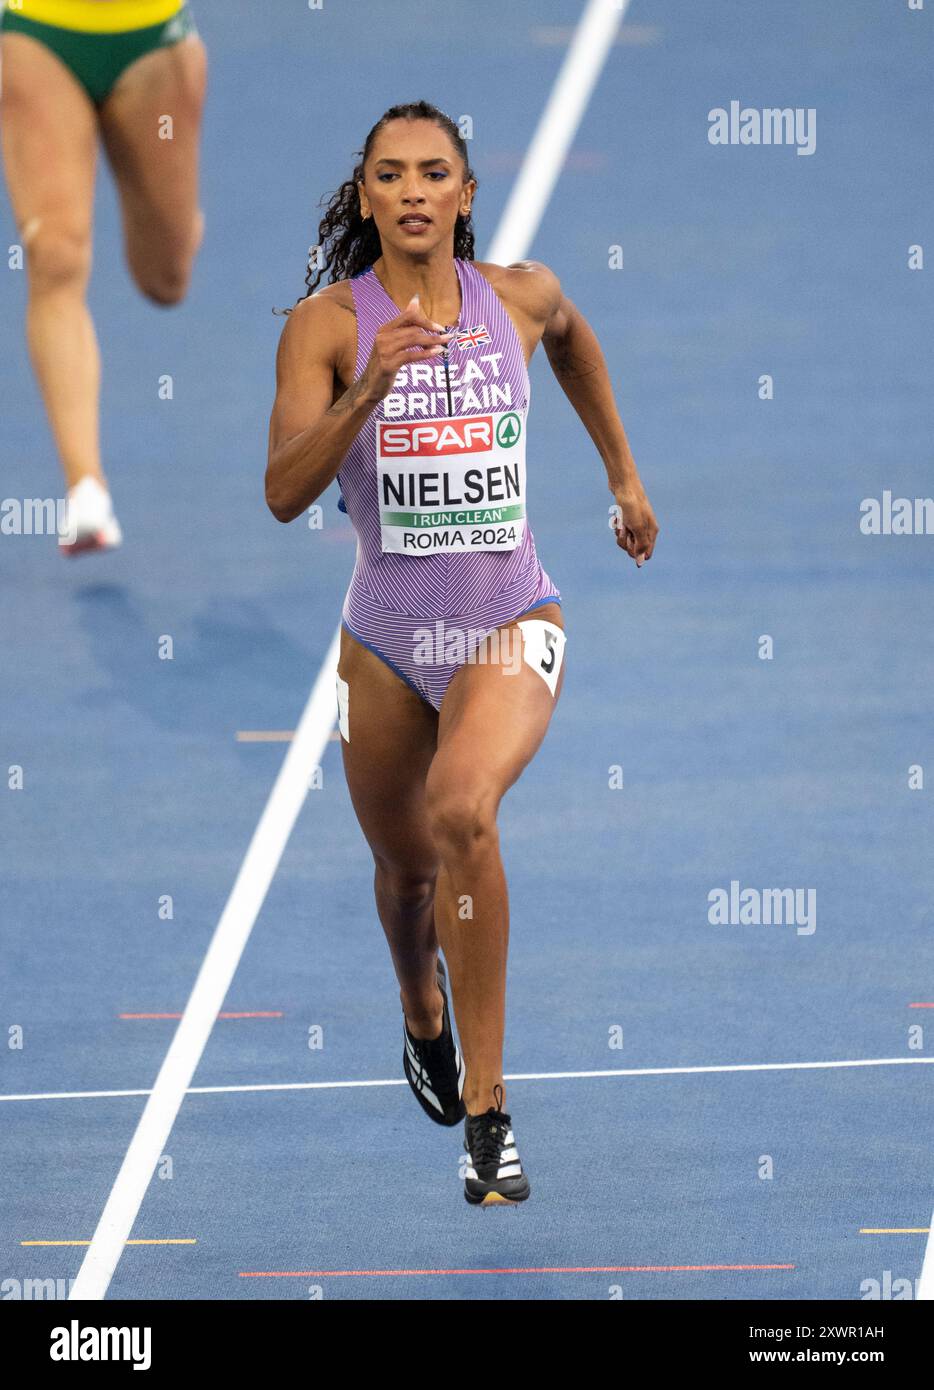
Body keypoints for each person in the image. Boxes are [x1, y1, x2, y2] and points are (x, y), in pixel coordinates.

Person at [266, 100, 658, 1205]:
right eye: (389, 175)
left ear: (465, 194)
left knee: (464, 810)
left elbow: (574, 338)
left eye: (434, 172)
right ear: (366, 198)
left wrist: (621, 479)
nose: (413, 191)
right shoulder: (326, 329)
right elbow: (283, 490)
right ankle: (420, 1010)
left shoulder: (517, 298)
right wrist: (370, 389)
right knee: (405, 876)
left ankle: (488, 1114)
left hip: (509, 618)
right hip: (387, 641)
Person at [0, 0, 207, 554]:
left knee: (165, 277)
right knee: (54, 255)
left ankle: (178, 229)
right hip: (33, 29)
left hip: (152, 38)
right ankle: (86, 489)